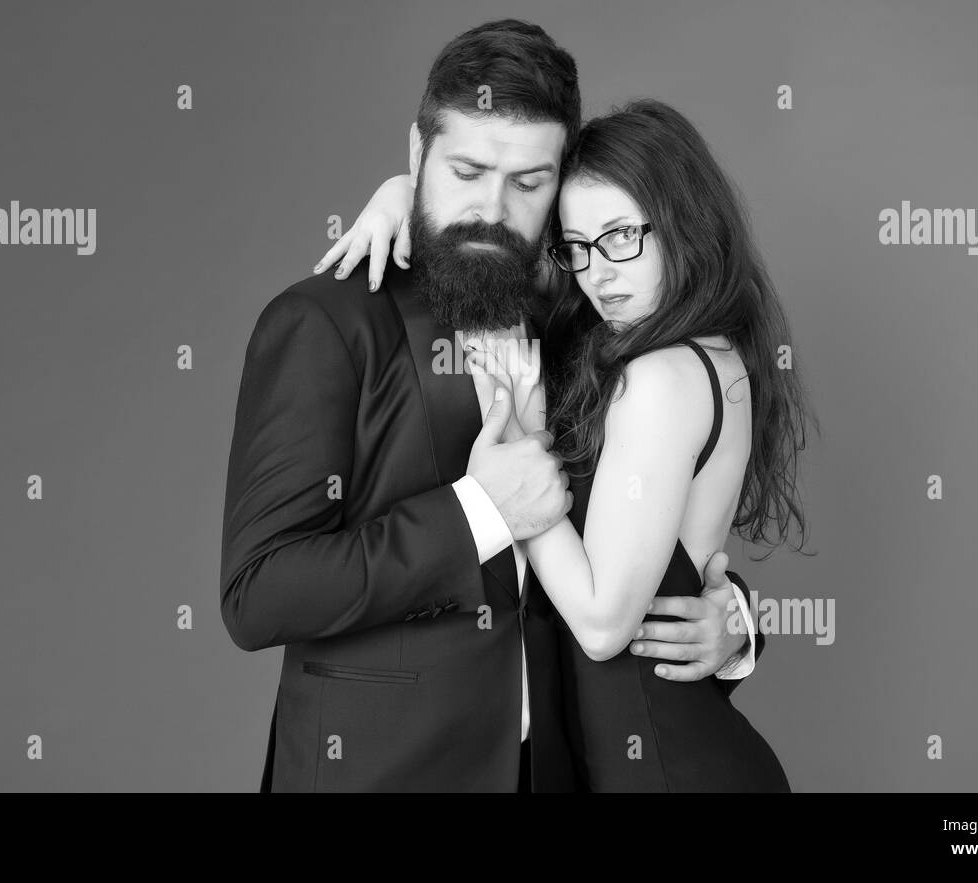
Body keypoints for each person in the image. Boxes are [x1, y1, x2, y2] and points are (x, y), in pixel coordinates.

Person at [222, 19, 764, 793]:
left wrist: (734, 623)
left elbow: (645, 530)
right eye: (467, 169)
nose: (492, 209)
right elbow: (258, 592)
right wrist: (480, 510)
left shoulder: (578, 313)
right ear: (417, 157)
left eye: (528, 183)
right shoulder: (327, 324)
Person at [323, 94, 814, 791]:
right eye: (579, 246)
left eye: (621, 236)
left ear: (686, 225)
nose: (598, 273)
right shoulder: (666, 351)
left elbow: (603, 623)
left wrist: (520, 459)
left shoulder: (663, 375)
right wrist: (400, 192)